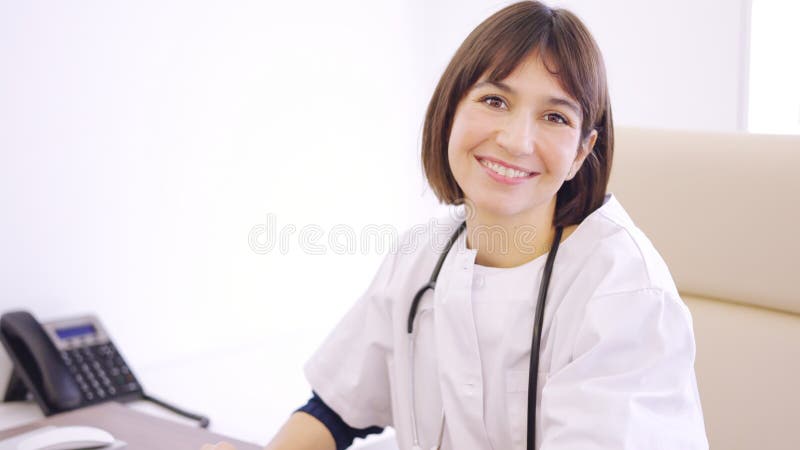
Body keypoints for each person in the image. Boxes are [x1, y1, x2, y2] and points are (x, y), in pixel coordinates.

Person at [204, 1, 709, 449]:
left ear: (582, 153)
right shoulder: (422, 254)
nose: (516, 140)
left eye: (554, 117)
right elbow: (336, 409)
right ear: (450, 109)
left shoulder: (623, 294)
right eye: (495, 101)